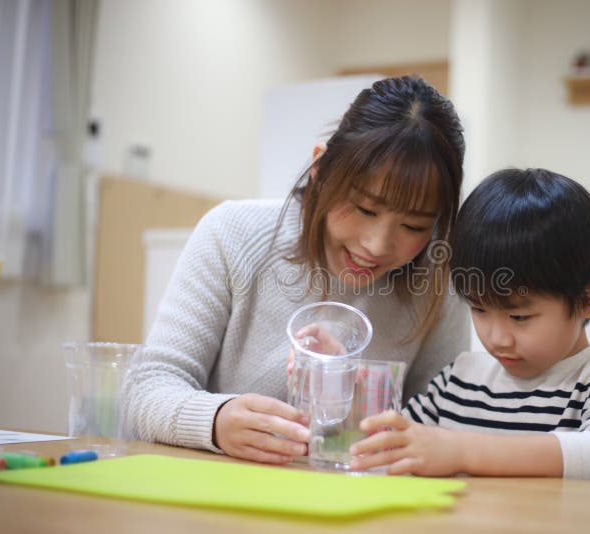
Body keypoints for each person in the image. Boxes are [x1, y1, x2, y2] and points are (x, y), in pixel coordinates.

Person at [123, 76, 469, 464]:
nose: (377, 245)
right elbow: (146, 390)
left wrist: (355, 404)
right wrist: (217, 421)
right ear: (321, 170)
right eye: (365, 209)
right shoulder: (232, 234)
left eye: (414, 226)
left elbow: (445, 422)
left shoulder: (439, 277)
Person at [349, 168, 590, 484]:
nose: (496, 338)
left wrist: (461, 450)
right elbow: (387, 446)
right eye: (479, 309)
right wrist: (348, 382)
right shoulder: (458, 380)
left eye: (519, 317)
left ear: (588, 300)